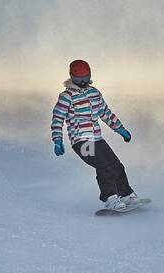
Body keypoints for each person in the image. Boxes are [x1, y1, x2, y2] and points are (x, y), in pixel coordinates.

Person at [50, 59, 139, 210]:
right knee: (103, 166)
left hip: (97, 140)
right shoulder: (67, 96)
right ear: (72, 77)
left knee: (116, 165)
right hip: (81, 142)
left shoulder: (94, 93)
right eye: (79, 79)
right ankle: (110, 198)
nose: (83, 82)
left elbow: (105, 113)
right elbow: (58, 118)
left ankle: (125, 194)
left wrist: (120, 129)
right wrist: (57, 140)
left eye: (85, 78)